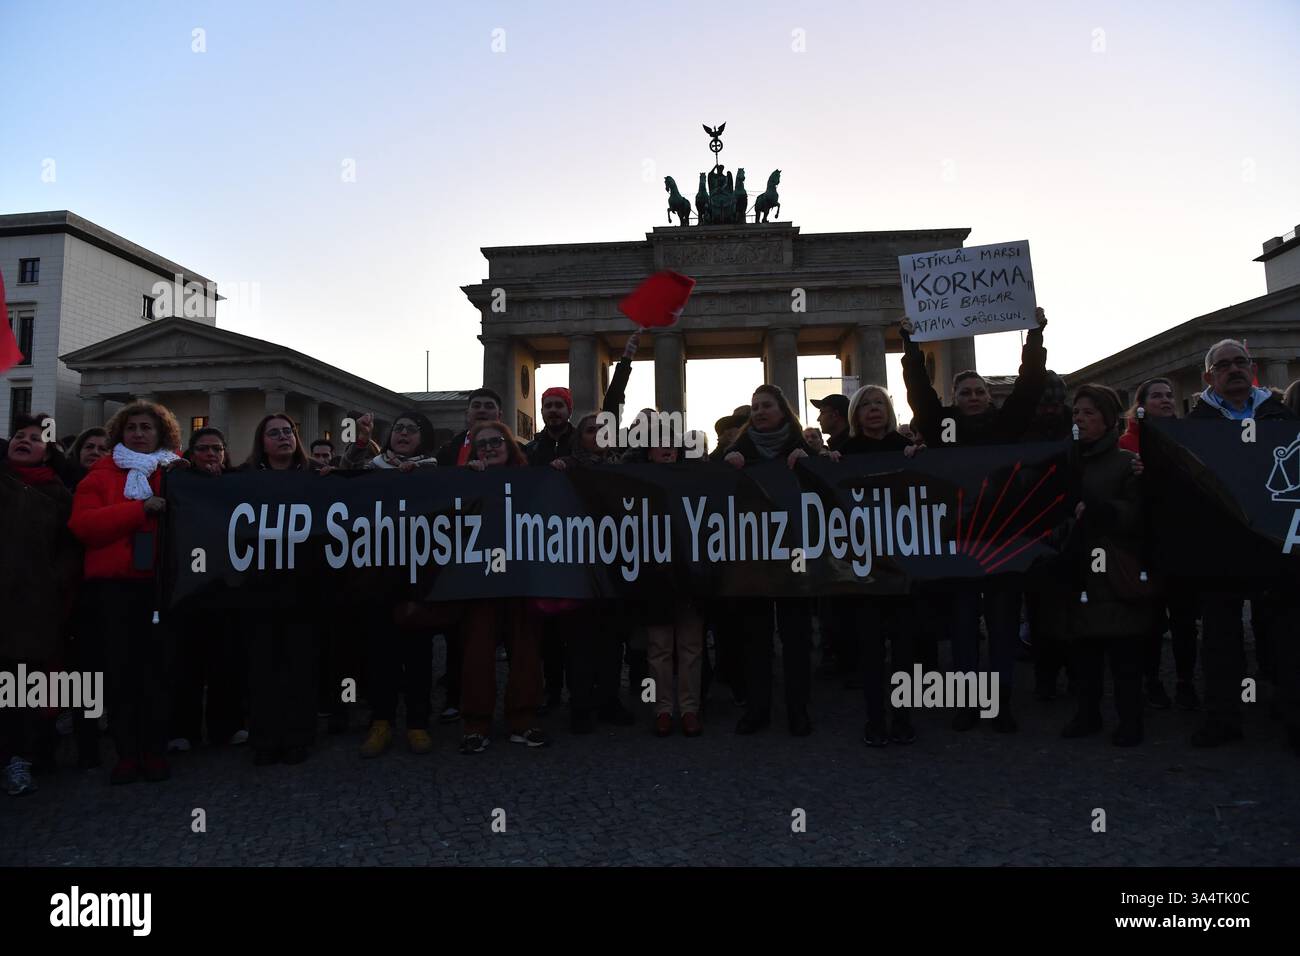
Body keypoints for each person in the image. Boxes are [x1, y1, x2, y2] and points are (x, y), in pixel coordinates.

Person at [899, 309, 1050, 733]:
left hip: (1004, 538)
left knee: (1002, 625)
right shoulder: (942, 425)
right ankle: (968, 702)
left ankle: (1000, 703)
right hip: (961, 542)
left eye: (979, 391)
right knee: (964, 626)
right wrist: (910, 346)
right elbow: (919, 393)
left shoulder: (1007, 424)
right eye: (964, 392)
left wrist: (1034, 336)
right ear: (955, 398)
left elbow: (1030, 387)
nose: (972, 397)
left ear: (989, 396)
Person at [1185, 341, 1298, 748]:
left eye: (1239, 363)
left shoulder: (1280, 415)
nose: (1233, 370)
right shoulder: (1194, 425)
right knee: (1219, 637)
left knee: (1287, 635)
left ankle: (1291, 714)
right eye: (1223, 365)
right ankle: (1222, 718)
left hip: (1275, 544)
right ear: (1209, 376)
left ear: (1251, 368)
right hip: (1220, 545)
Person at [69, 400, 187, 784]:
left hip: (158, 587)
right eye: (132, 427)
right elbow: (84, 526)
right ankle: (126, 753)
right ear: (122, 432)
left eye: (146, 427)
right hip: (114, 588)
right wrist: (138, 512)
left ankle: (153, 750)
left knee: (157, 672)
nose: (138, 433)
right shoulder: (101, 475)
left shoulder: (173, 471)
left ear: (160, 434)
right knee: (121, 674)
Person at [1048, 385, 1155, 746]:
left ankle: (1130, 720)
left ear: (1108, 420)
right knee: (1084, 655)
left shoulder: (1127, 464)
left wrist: (1098, 510)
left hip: (1111, 570)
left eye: (1089, 413)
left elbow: (1138, 516)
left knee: (1124, 656)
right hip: (1076, 569)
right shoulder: (1065, 461)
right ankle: (1088, 714)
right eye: (1076, 413)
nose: (1080, 419)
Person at [722, 384, 815, 736]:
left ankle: (798, 709)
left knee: (797, 638)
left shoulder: (802, 449)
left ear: (782, 410)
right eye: (755, 406)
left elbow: (827, 490)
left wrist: (813, 466)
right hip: (754, 556)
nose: (759, 411)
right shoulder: (737, 450)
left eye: (766, 405)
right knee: (755, 639)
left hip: (795, 555)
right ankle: (758, 709)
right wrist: (724, 464)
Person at [834, 386, 925, 746]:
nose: (874, 410)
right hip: (864, 568)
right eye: (866, 405)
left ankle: (902, 717)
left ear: (889, 411)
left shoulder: (906, 450)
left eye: (880, 404)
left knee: (904, 649)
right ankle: (875, 718)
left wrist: (922, 458)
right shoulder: (842, 454)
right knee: (871, 650)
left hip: (902, 565)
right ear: (856, 414)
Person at [349, 412, 440, 759]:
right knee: (380, 654)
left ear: (423, 437)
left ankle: (418, 723)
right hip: (377, 575)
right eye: (398, 429)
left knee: (418, 654)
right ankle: (381, 720)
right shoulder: (372, 468)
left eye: (411, 430)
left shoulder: (433, 471)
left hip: (419, 575)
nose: (403, 434)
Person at [454, 420, 547, 753]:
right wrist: (468, 480)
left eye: (496, 442)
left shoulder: (529, 480)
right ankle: (476, 723)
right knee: (478, 652)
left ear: (509, 445)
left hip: (520, 576)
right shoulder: (464, 480)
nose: (490, 448)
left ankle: (523, 718)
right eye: (483, 444)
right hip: (479, 578)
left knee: (525, 651)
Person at [1, 415, 81, 795]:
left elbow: (69, 550)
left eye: (35, 439)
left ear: (48, 453)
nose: (25, 441)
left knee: (20, 694)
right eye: (20, 435)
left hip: (32, 609)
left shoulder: (59, 495)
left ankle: (20, 760)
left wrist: (53, 580)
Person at [1117, 378, 1200, 712]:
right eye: (1157, 396)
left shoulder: (1188, 438)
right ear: (1141, 404)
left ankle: (1185, 682)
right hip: (1145, 542)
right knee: (1149, 619)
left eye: (1169, 395)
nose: (1166, 400)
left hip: (1182, 540)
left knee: (1184, 620)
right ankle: (1151, 681)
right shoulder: (1127, 443)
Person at [550, 412, 636, 733]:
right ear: (580, 438)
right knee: (581, 640)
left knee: (613, 641)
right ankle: (581, 704)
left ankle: (609, 699)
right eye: (591, 430)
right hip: (580, 565)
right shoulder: (568, 467)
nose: (598, 433)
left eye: (604, 429)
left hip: (615, 563)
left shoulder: (624, 469)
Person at [240, 413, 318, 765]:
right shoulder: (244, 479)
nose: (283, 437)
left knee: (299, 665)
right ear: (263, 441)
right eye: (274, 433)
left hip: (304, 588)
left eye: (288, 431)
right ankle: (264, 738)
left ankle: (298, 736)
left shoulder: (317, 476)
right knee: (262, 667)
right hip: (260, 589)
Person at [168, 427, 248, 752]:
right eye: (204, 449)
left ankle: (226, 727)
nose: (211, 455)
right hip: (186, 586)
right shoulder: (178, 482)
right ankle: (183, 729)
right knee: (186, 663)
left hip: (224, 585)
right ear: (191, 453)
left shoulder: (235, 485)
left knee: (225, 662)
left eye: (217, 449)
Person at [435, 388, 504, 467]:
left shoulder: (518, 449)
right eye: (476, 406)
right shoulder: (447, 451)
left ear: (499, 415)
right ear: (467, 414)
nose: (482, 410)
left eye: (489, 406)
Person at [524, 387, 576, 466]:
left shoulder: (583, 446)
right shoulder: (530, 450)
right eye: (548, 406)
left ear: (570, 411)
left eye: (559, 405)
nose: (553, 410)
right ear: (542, 412)